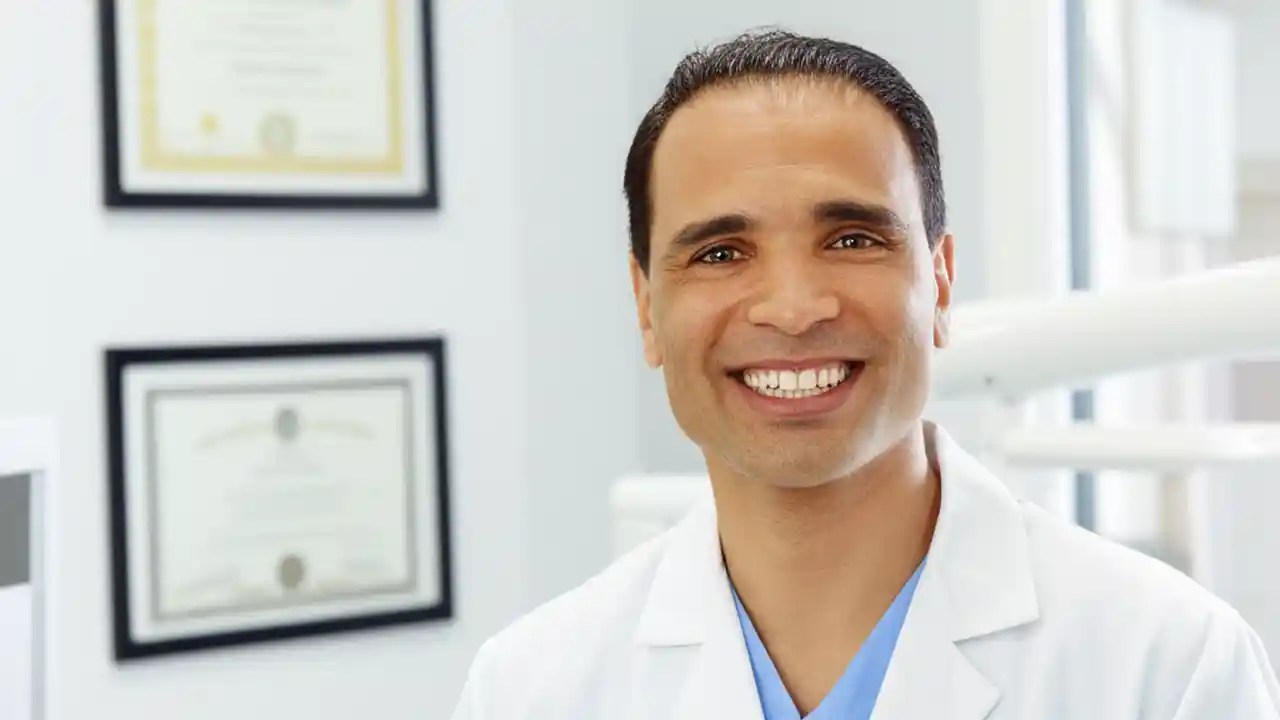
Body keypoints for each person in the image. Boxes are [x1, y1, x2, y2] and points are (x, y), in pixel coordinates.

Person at [451, 30, 1280, 719]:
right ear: (645, 307)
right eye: (720, 253)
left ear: (941, 282)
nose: (793, 306)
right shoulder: (531, 689)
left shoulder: (1167, 667)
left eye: (852, 239)